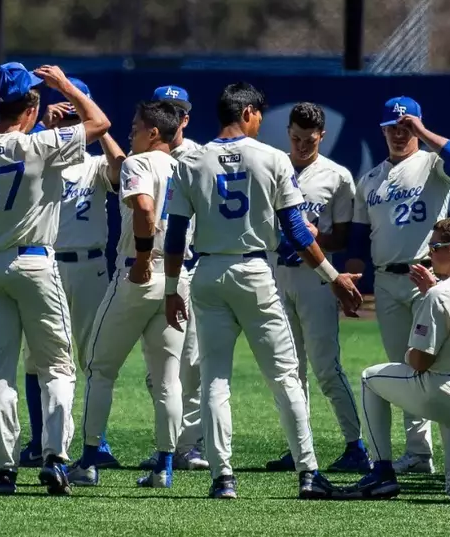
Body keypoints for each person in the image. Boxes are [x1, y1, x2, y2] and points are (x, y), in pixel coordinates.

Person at [162, 81, 360, 501]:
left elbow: (176, 235)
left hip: (208, 272)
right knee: (285, 376)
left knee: (215, 379)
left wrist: (170, 289)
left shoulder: (191, 161)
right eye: (259, 115)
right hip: (254, 270)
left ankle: (223, 478)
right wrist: (333, 277)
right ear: (248, 112)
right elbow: (296, 231)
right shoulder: (272, 158)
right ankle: (308, 472)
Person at [0, 63, 110, 495]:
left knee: (0, 371)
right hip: (35, 262)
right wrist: (67, 86)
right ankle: (54, 458)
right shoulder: (38, 145)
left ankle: (4, 469)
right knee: (56, 365)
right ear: (31, 109)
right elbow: (100, 123)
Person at [348, 95, 450, 474]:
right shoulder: (370, 179)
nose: (399, 133)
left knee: (439, 362)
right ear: (383, 130)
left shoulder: (433, 164)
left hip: (428, 275)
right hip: (387, 279)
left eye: (406, 127)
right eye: (393, 127)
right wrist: (352, 281)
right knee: (404, 366)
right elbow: (360, 237)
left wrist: (423, 130)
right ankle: (418, 453)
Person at [349, 216, 450, 505]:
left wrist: (409, 352)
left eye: (435, 247)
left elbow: (420, 361)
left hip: (444, 392)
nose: (428, 254)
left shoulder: (440, 294)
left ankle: (381, 472)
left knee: (369, 379)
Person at [72, 100, 186, 488]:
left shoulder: (139, 163)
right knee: (168, 378)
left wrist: (142, 257)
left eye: (136, 127)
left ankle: (89, 461)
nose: (131, 132)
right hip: (177, 274)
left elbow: (144, 209)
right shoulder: (184, 167)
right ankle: (164, 467)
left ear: (153, 132)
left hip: (140, 269)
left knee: (99, 367)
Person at [19, 78, 126, 468]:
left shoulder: (94, 163)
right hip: (46, 264)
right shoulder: (39, 154)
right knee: (37, 357)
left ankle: (96, 443)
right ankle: (38, 441)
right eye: (63, 111)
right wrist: (44, 127)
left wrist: (97, 129)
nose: (68, 119)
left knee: (94, 356)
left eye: (76, 113)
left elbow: (122, 171)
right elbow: (16, 155)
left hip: (89, 267)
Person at [264, 101, 367, 474]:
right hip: (276, 276)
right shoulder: (272, 167)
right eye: (296, 138)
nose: (302, 145)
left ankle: (355, 445)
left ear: (322, 136)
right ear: (288, 133)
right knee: (289, 368)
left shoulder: (336, 176)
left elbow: (342, 237)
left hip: (315, 278)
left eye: (309, 139)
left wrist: (316, 236)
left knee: (325, 366)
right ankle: (299, 447)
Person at [147, 84, 209, 472]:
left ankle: (190, 444)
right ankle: (166, 443)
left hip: (191, 264)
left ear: (186, 117)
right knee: (158, 365)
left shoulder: (200, 157)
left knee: (193, 361)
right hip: (154, 266)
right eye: (165, 108)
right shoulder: (144, 155)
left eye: (178, 110)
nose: (174, 115)